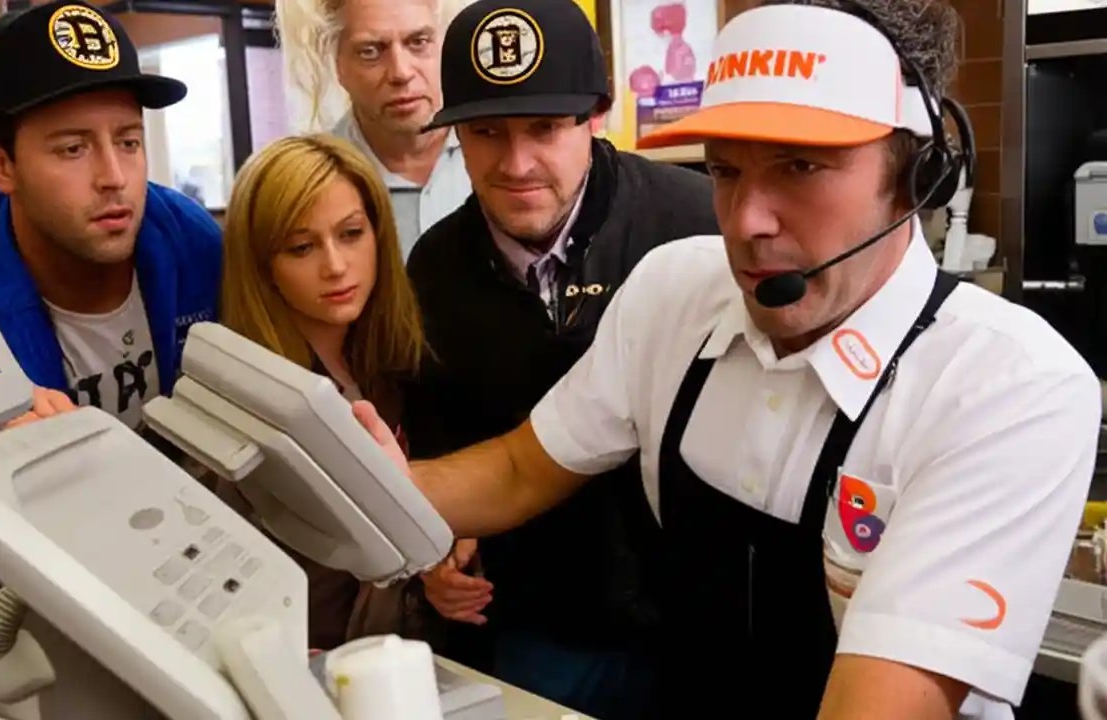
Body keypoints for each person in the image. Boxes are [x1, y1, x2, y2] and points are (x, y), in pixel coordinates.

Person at [357, 1, 1101, 718]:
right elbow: (523, 468)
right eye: (725, 171)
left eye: (801, 167)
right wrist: (372, 488)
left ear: (917, 176)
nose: (745, 223)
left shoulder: (1005, 386)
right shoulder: (675, 293)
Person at [399, 0, 718, 716]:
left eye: (544, 129)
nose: (516, 164)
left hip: (702, 623)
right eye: (486, 133)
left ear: (596, 115)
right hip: (541, 627)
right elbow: (444, 449)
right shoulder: (436, 268)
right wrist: (438, 552)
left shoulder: (697, 227)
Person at [0, 1, 222, 431]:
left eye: (128, 142)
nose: (114, 178)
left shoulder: (196, 245)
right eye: (73, 148)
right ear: (0, 166)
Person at [219, 133, 429, 651]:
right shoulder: (247, 403)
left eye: (351, 233)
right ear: (262, 265)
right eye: (301, 247)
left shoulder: (398, 361)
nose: (335, 266)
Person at [276, 0, 474, 259]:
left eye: (418, 42)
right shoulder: (309, 183)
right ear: (339, 66)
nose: (401, 72)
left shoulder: (502, 154)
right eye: (370, 51)